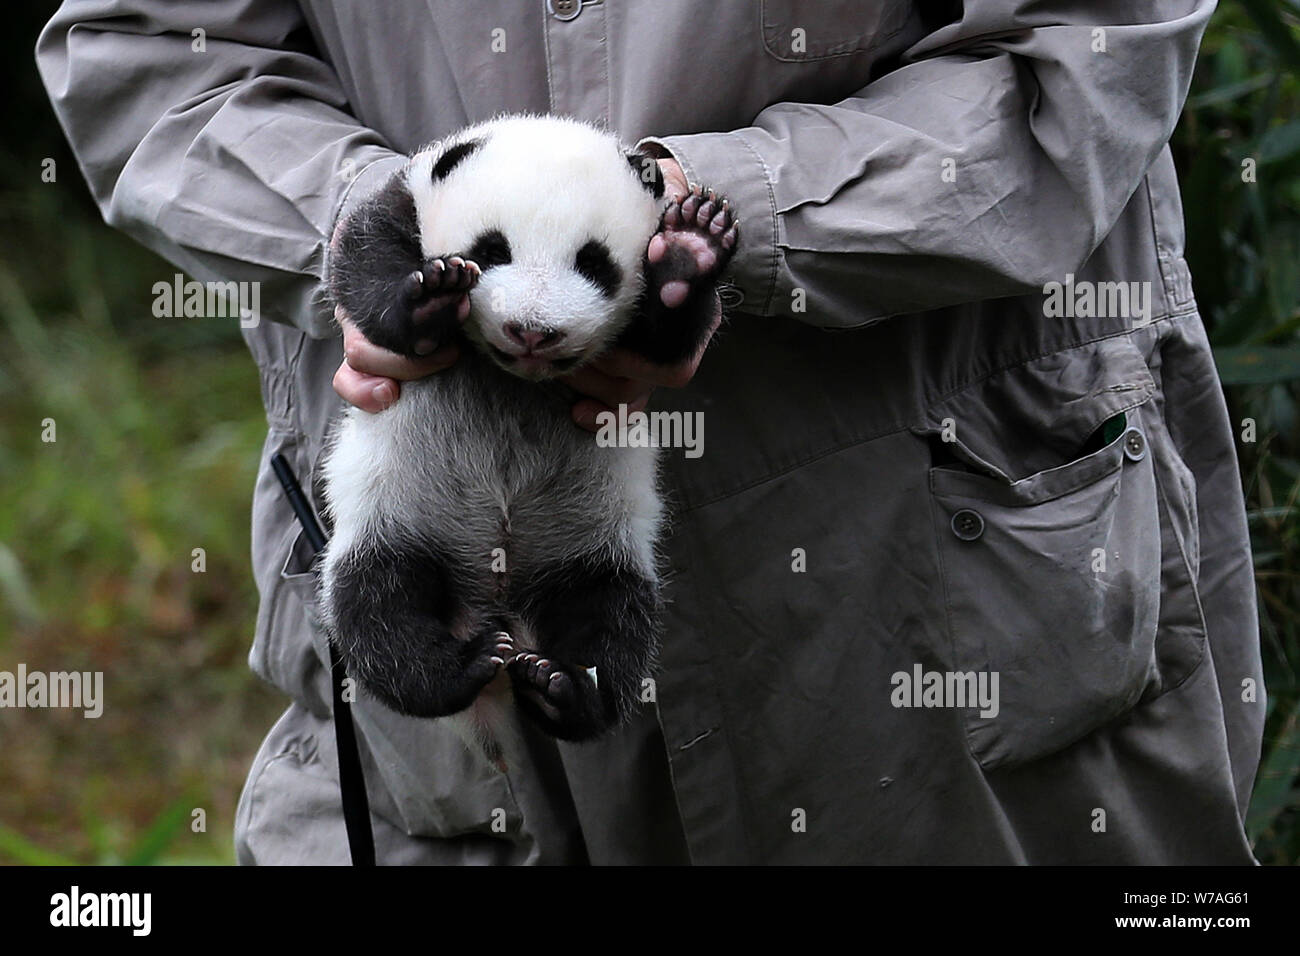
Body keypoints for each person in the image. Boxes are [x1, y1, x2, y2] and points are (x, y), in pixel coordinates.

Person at [37, 0, 1264, 864]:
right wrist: (387, 237)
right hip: (444, 672)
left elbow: (1082, 51)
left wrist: (698, 224)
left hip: (920, 576)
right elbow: (152, 54)